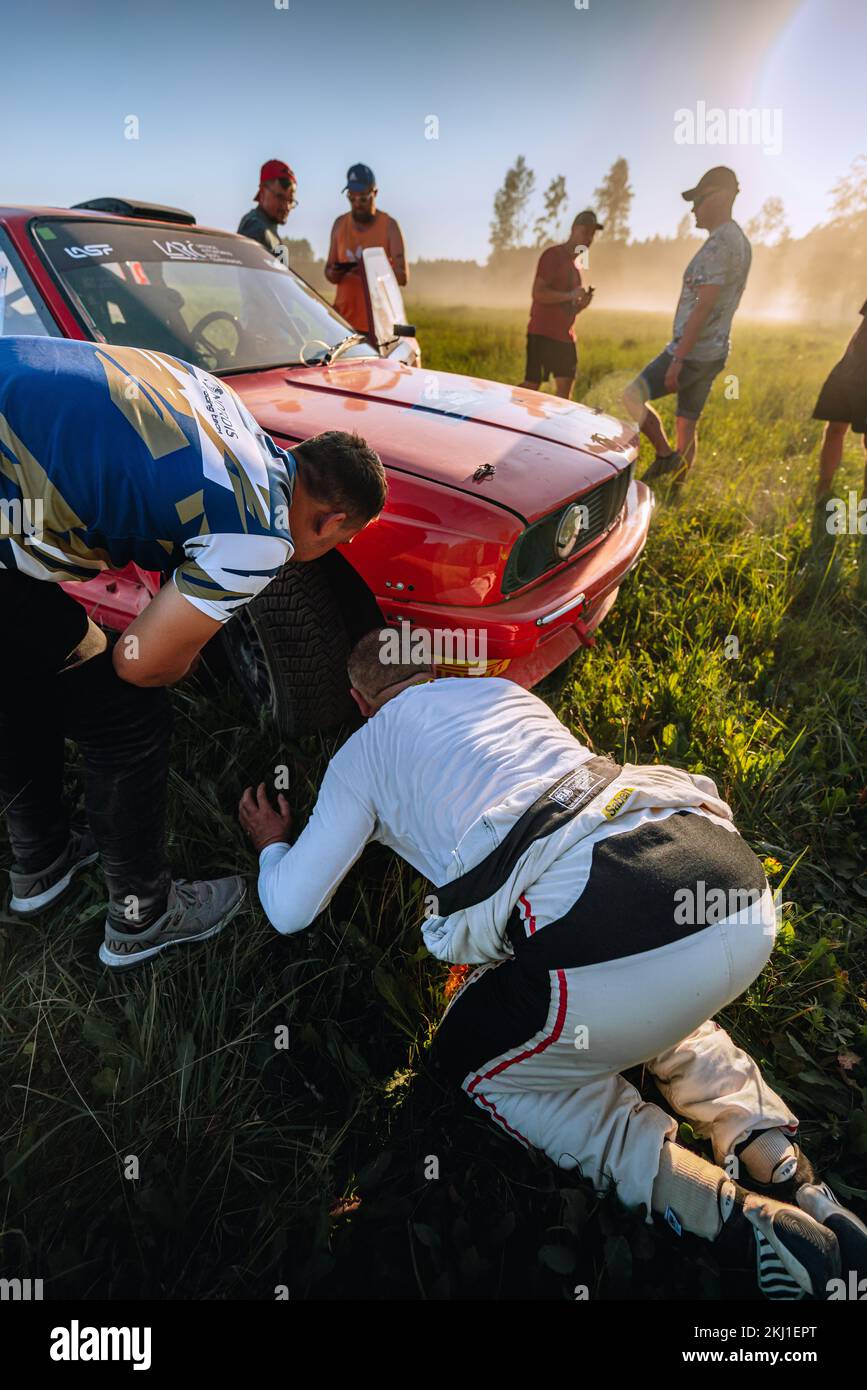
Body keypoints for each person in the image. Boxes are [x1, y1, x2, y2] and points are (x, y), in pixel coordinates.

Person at [239, 632, 867, 1300]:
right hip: (724, 877)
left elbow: (290, 909)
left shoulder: (362, 751)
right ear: (438, 668)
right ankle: (782, 1164)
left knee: (482, 1062)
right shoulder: (503, 692)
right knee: (643, 986)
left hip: (603, 930)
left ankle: (730, 1218)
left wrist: (272, 846)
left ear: (358, 701)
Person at [0, 336, 386, 970]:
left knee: (29, 674)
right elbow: (140, 660)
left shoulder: (222, 404)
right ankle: (142, 917)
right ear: (329, 521)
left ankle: (42, 862)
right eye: (342, 540)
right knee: (127, 711)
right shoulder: (263, 532)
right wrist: (178, 653)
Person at [623, 167, 751, 485]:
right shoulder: (739, 241)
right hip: (714, 349)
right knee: (687, 420)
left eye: (699, 199)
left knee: (630, 396)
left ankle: (666, 457)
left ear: (721, 197)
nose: (693, 208)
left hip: (692, 351)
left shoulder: (720, 245)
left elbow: (704, 305)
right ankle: (678, 486)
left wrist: (678, 358)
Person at [519, 210, 602, 399]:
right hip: (542, 333)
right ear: (573, 230)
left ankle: (550, 428)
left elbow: (568, 307)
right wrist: (570, 294)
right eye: (585, 232)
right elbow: (538, 293)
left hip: (565, 337)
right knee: (531, 386)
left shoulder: (577, 266)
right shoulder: (552, 256)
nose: (589, 238)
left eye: (592, 234)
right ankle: (501, 412)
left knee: (564, 394)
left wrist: (582, 304)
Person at [810, 298, 867, 563]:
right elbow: (861, 329)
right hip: (851, 370)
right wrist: (845, 364)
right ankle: (824, 488)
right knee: (834, 429)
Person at [324, 164, 407, 335]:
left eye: (363, 198)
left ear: (374, 193)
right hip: (342, 325)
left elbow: (402, 277)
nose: (357, 204)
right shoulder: (339, 224)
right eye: (351, 198)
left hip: (379, 328)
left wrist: (369, 272)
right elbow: (328, 271)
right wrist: (337, 273)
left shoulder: (389, 226)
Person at [237, 159, 298, 258]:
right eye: (280, 198)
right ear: (262, 193)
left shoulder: (270, 231)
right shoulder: (255, 227)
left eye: (290, 201)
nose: (286, 207)